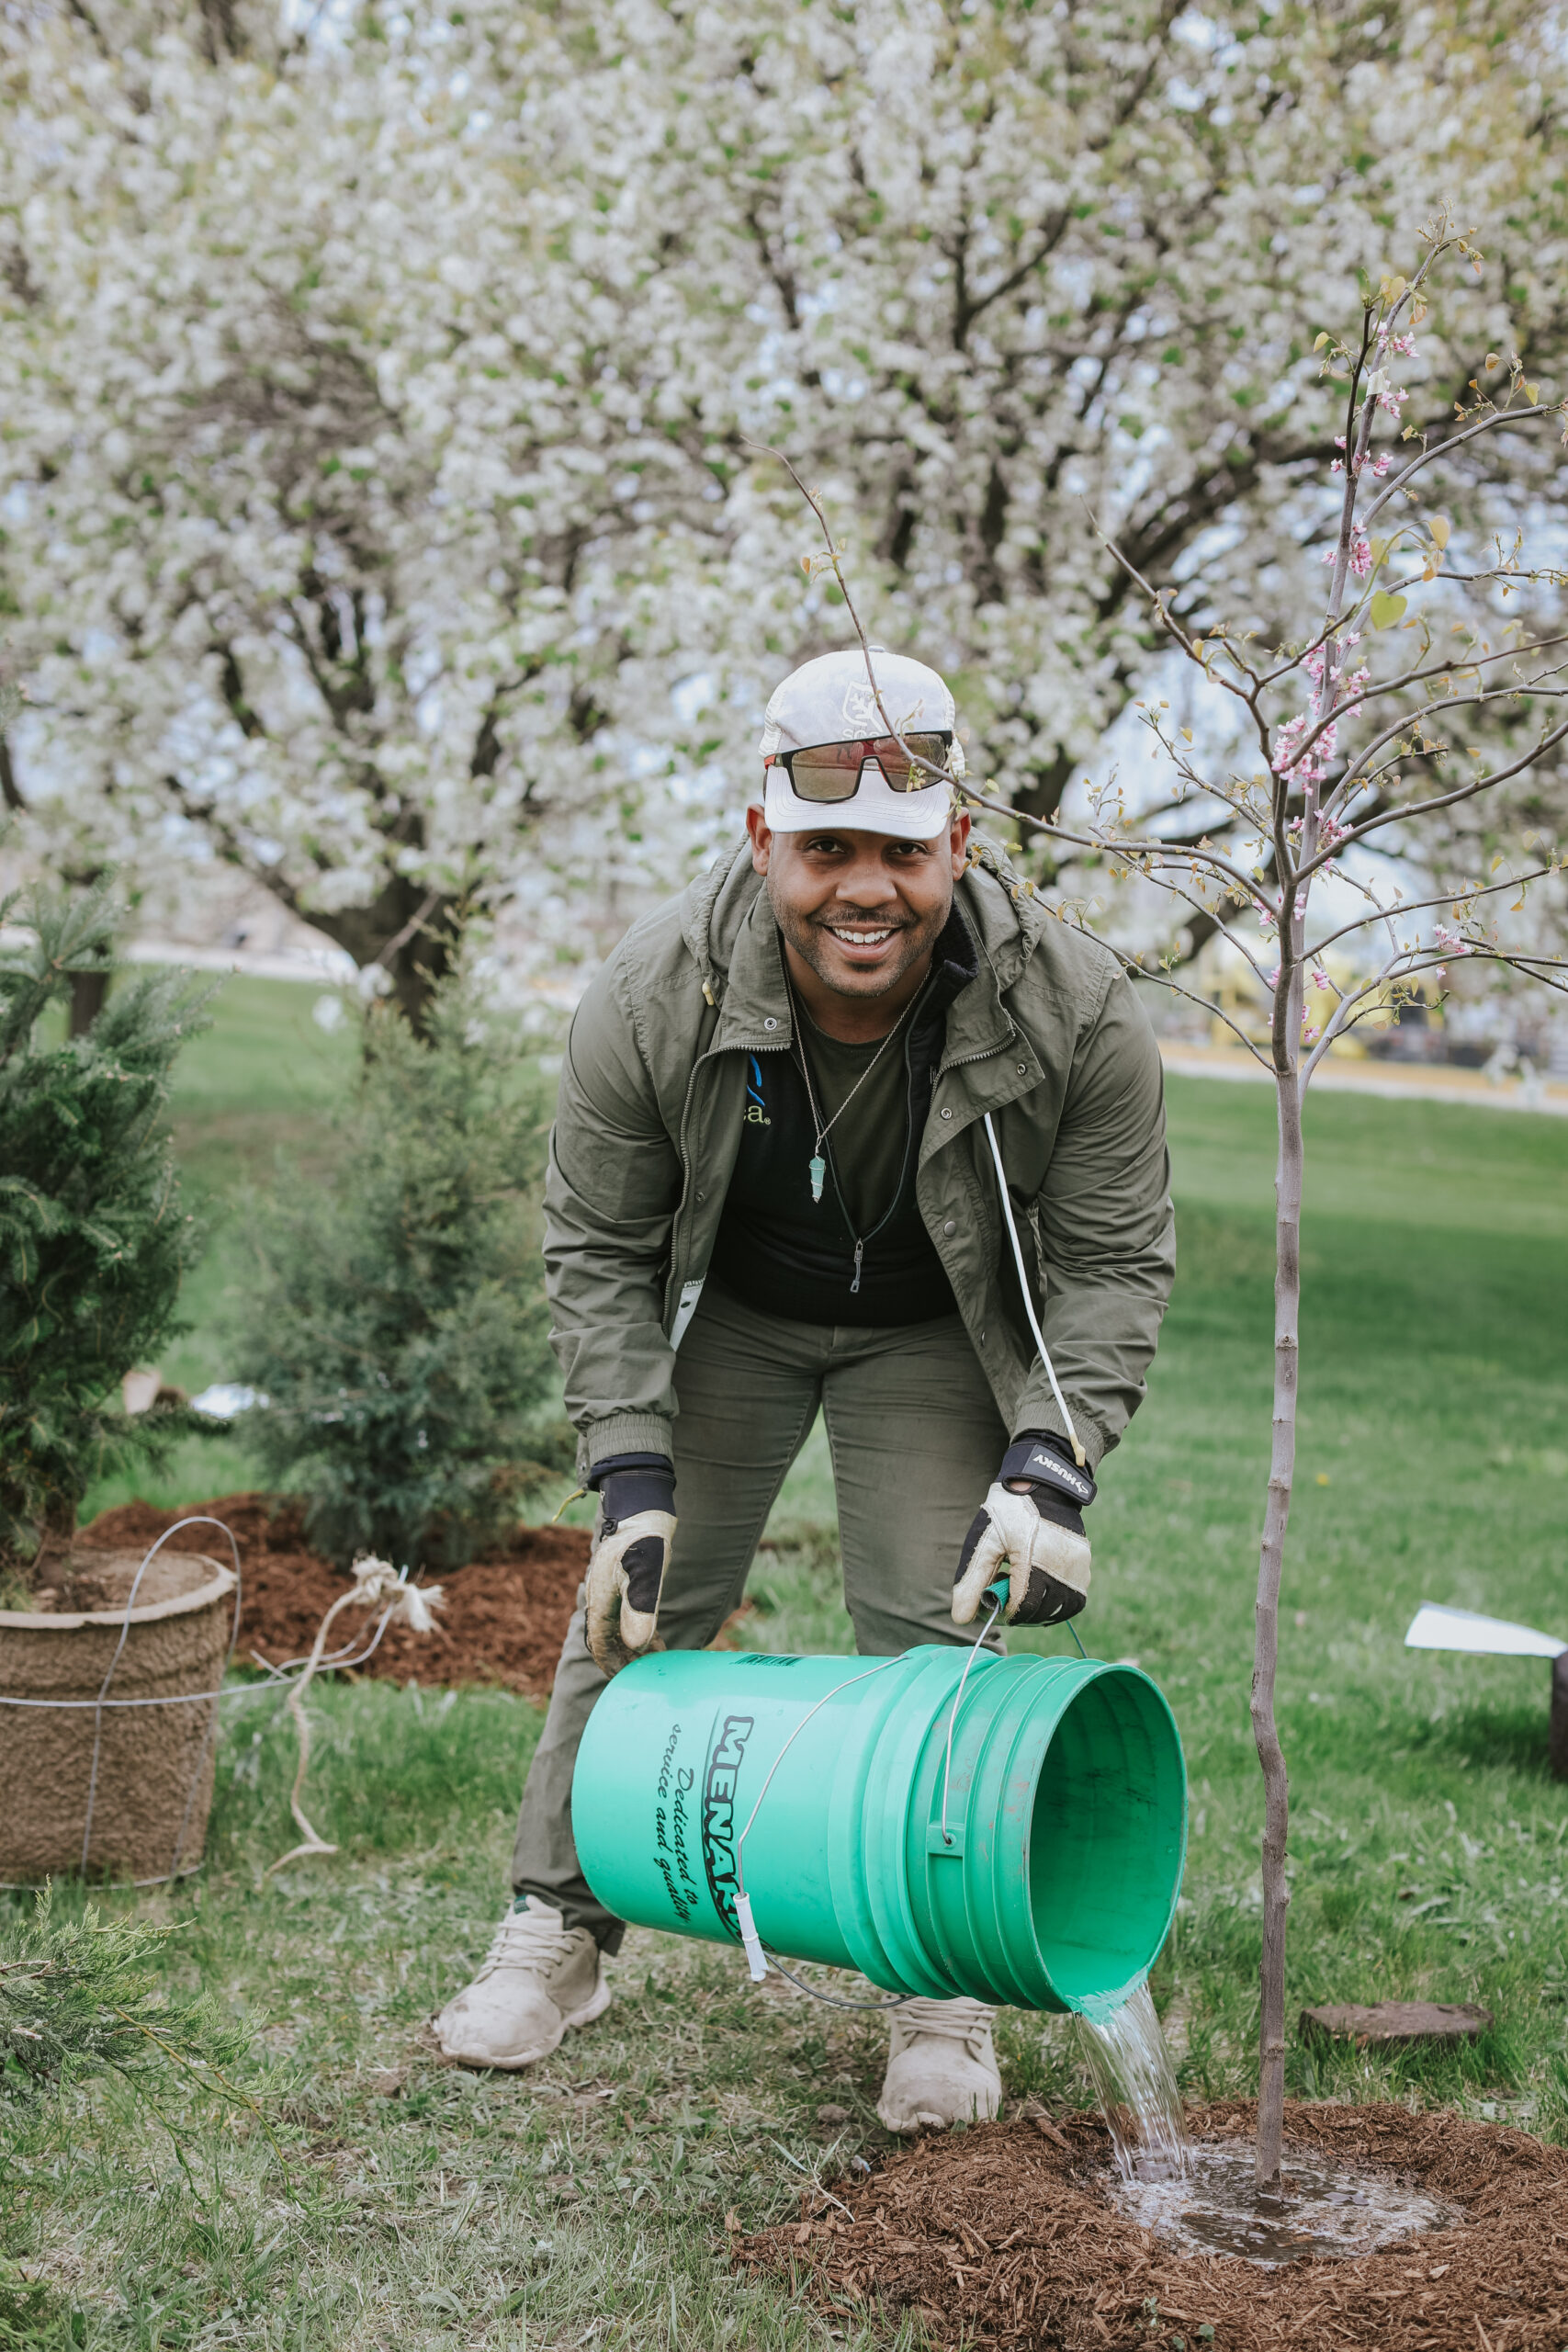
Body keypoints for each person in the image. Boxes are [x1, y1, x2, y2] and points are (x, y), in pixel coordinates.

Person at [434, 646, 1175, 2129]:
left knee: (938, 1630)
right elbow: (595, 1241)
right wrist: (631, 1474)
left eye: (901, 853)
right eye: (826, 847)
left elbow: (1111, 1259)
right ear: (763, 837)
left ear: (958, 847)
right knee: (637, 1603)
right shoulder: (654, 988)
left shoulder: (1075, 1009)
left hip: (931, 1325)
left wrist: (1049, 1459)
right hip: (744, 1313)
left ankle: (940, 1992)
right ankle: (558, 1932)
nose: (865, 888)